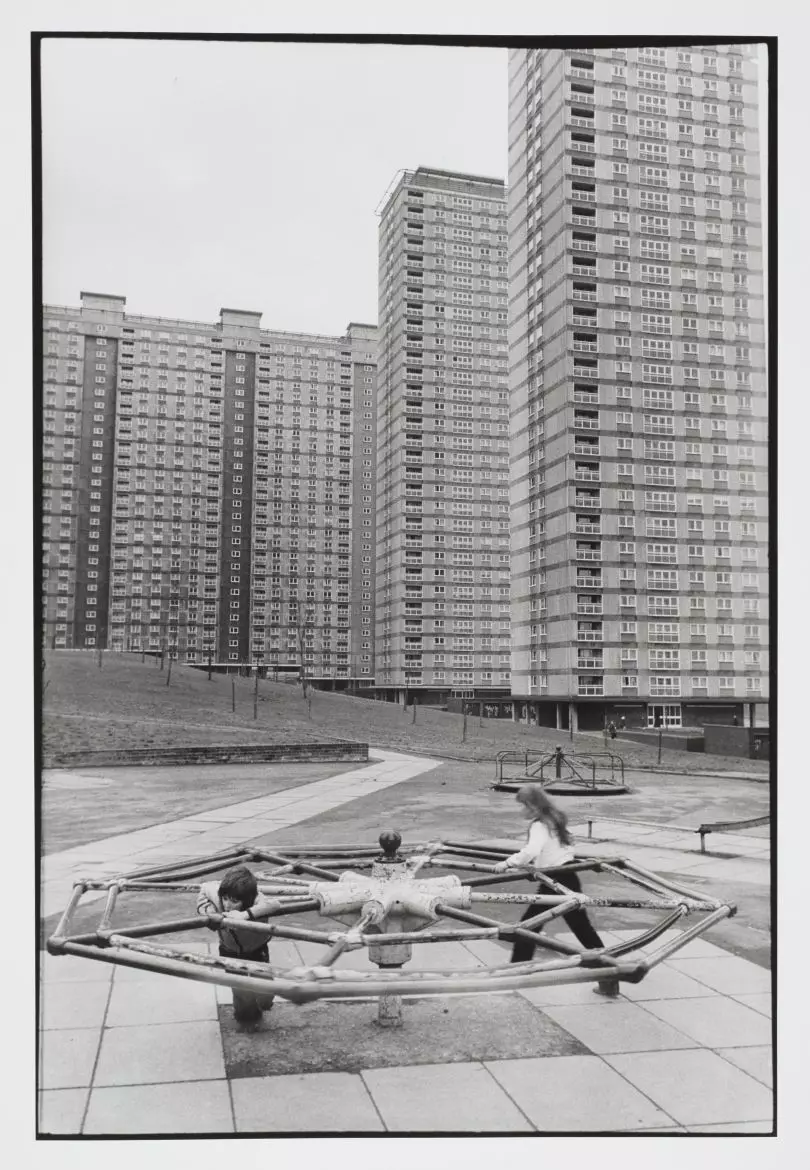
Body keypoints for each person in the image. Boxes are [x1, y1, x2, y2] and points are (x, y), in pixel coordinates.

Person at [493, 784, 617, 995]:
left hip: (555, 882)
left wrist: (508, 863)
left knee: (527, 928)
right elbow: (565, 848)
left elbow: (531, 849)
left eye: (523, 806)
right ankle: (610, 974)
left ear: (532, 806)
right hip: (568, 876)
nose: (521, 811)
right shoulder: (555, 819)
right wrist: (540, 865)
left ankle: (515, 974)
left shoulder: (539, 825)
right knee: (582, 929)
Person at [197, 865, 279, 1026]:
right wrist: (210, 912)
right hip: (229, 951)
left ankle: (264, 1003)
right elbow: (203, 888)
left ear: (247, 899)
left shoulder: (256, 899)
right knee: (240, 990)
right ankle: (247, 1020)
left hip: (257, 951)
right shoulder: (217, 892)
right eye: (225, 899)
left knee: (265, 989)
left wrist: (244, 915)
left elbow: (275, 904)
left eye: (234, 902)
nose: (227, 905)